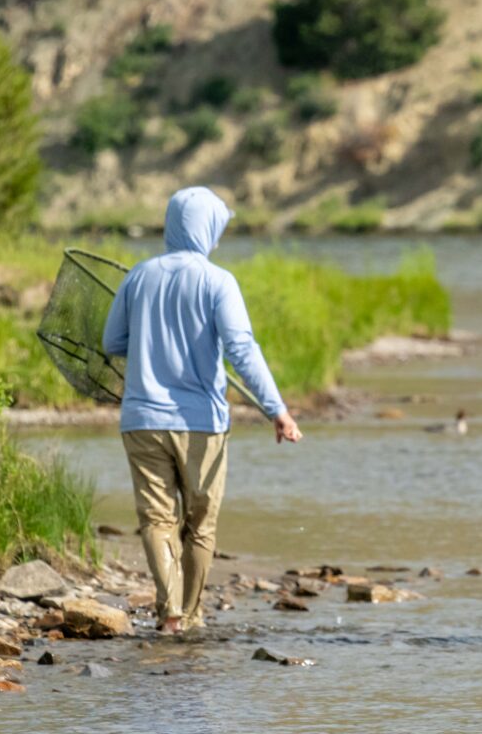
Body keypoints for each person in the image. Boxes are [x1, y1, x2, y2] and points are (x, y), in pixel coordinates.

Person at [103, 187, 302, 634]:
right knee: (200, 525)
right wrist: (278, 410)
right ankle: (189, 616)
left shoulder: (138, 276)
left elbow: (111, 342)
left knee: (156, 519)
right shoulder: (218, 281)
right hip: (202, 425)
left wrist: (151, 340)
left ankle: (168, 611)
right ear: (208, 227)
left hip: (142, 420)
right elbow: (241, 350)